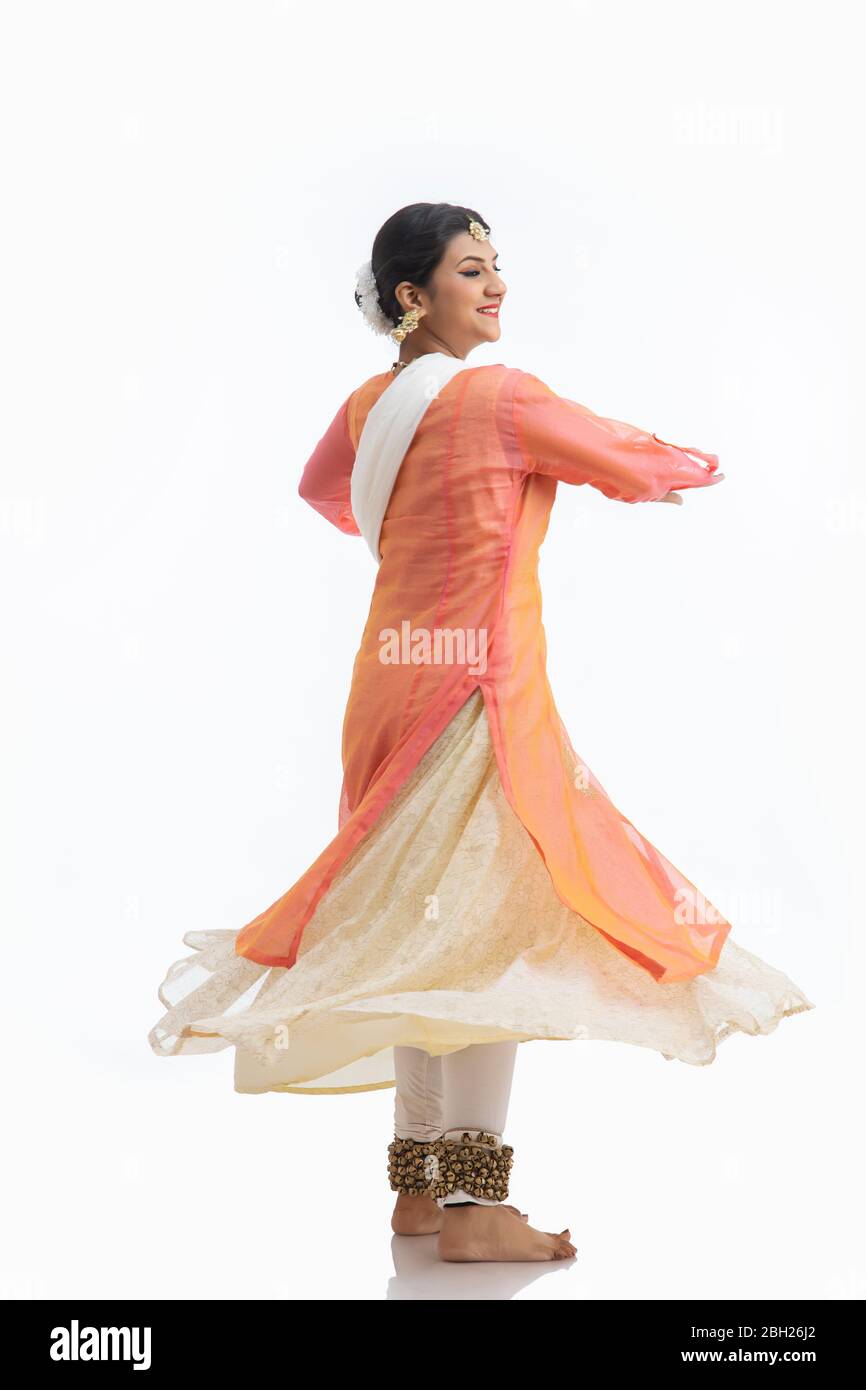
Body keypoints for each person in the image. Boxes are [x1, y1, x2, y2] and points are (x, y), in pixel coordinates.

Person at [148, 202, 815, 1264]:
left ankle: (417, 1192)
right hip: (477, 699)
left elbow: (327, 493)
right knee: (483, 943)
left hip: (384, 695)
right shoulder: (500, 398)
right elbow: (621, 459)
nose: (496, 284)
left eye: (498, 265)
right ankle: (473, 1208)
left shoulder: (371, 406)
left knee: (424, 932)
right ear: (411, 297)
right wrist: (690, 464)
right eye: (471, 270)